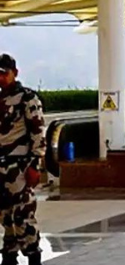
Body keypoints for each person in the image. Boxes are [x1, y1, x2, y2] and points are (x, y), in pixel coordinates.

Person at [0, 54, 45, 265]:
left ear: (14, 73)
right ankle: (9, 255)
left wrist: (35, 164)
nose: (1, 78)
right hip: (1, 166)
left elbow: (37, 132)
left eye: (4, 74)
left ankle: (33, 255)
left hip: (19, 166)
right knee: (5, 216)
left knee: (22, 214)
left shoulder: (27, 98)